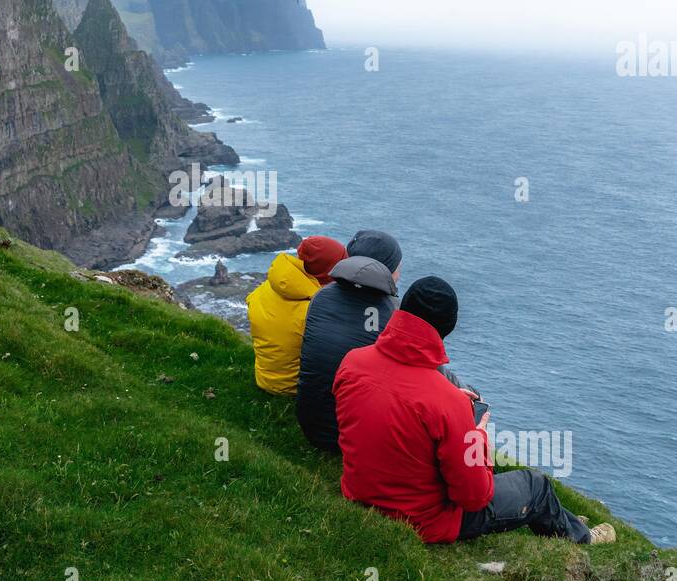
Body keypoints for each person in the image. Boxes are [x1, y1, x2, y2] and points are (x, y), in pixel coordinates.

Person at [335, 276, 616, 545]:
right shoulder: (446, 402)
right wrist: (477, 437)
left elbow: (394, 404)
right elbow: (475, 497)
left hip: (359, 494)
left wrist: (448, 401)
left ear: (402, 310)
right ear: (447, 328)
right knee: (537, 487)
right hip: (423, 521)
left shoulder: (352, 362)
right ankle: (583, 538)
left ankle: (559, 518)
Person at [295, 229, 403, 452]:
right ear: (389, 270)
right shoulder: (394, 315)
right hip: (357, 438)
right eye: (398, 265)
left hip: (311, 422)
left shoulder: (321, 297)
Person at [246, 236, 347, 396]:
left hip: (265, 377)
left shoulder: (264, 289)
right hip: (296, 388)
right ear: (329, 272)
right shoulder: (317, 310)